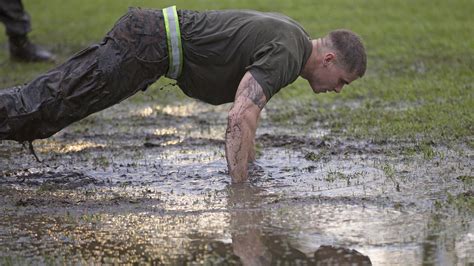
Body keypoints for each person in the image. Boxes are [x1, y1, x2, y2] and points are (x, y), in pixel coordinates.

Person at [0, 6, 366, 182]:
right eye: (342, 81)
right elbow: (241, 116)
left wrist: (251, 167)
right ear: (330, 59)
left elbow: (251, 114)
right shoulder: (290, 51)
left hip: (148, 45)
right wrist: (241, 191)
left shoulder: (295, 41)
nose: (337, 90)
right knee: (42, 108)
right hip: (147, 45)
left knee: (46, 106)